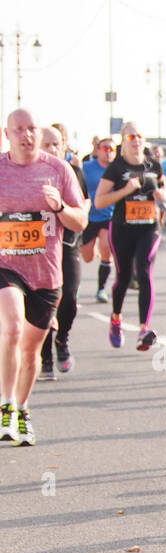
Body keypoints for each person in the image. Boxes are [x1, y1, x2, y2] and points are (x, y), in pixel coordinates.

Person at [0, 108, 88, 447]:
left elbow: (81, 221)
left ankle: (22, 409)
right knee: (11, 326)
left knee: (31, 350)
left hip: (46, 274)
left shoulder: (58, 170)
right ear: (7, 134)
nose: (26, 135)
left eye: (32, 128)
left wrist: (59, 209)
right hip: (7, 266)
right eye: (18, 129)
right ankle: (6, 405)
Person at [93, 121, 166, 352]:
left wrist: (158, 192)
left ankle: (144, 328)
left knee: (144, 270)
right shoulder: (116, 167)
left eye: (139, 135)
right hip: (123, 228)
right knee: (124, 276)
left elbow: (165, 194)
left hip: (149, 227)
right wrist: (126, 189)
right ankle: (116, 319)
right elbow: (99, 201)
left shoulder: (154, 164)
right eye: (130, 136)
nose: (135, 140)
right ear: (123, 141)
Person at [37, 126, 86, 378]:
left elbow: (84, 207)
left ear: (64, 145)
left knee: (69, 297)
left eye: (56, 144)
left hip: (68, 244)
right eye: (46, 144)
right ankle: (46, 358)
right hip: (39, 249)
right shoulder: (30, 174)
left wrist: (63, 208)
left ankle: (62, 339)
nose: (52, 149)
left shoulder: (73, 172)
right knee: (43, 303)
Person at [79, 136, 116, 302]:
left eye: (111, 149)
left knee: (106, 248)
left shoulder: (118, 170)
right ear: (98, 150)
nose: (108, 151)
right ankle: (94, 251)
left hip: (110, 216)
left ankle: (101, 289)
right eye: (104, 148)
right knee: (87, 256)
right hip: (90, 216)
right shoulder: (87, 167)